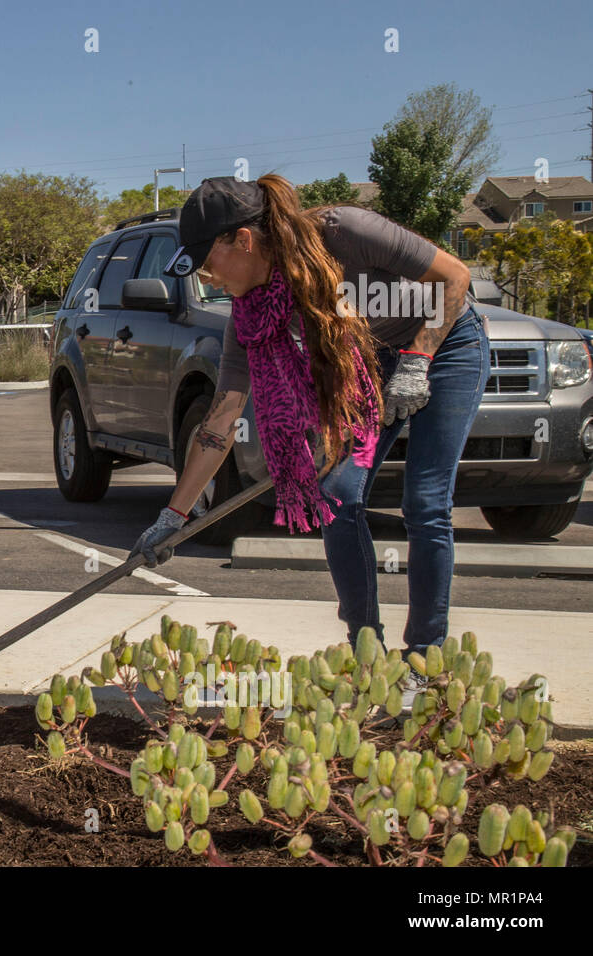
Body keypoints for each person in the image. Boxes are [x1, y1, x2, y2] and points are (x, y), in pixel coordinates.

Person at [133, 175, 487, 699]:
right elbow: (221, 419)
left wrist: (416, 362)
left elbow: (455, 277)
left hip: (445, 342)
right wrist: (173, 516)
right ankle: (369, 654)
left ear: (244, 241)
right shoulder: (250, 316)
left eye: (207, 262)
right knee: (338, 496)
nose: (207, 278)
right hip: (369, 362)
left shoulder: (344, 232)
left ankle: (424, 662)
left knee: (426, 502)